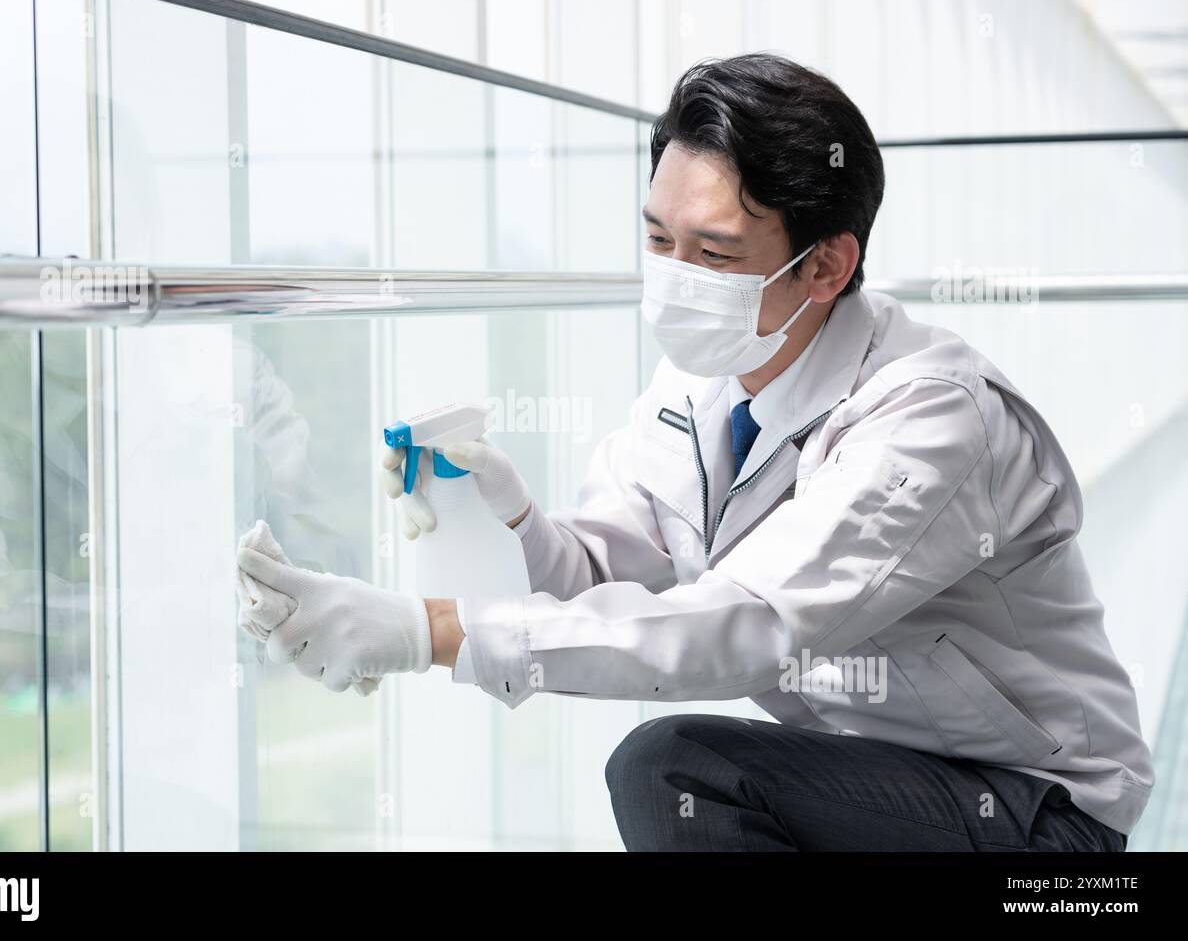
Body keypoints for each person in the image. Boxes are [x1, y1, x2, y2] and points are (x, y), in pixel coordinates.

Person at [236, 53, 1152, 851]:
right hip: (861, 777)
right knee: (678, 774)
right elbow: (602, 580)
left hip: (1043, 818)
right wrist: (505, 515)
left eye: (713, 252)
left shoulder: (931, 417)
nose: (674, 278)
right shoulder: (700, 386)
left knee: (675, 769)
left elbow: (743, 624)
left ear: (827, 266)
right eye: (657, 238)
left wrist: (426, 632)